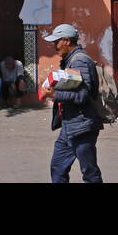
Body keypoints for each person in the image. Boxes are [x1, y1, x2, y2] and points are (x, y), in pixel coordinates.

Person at [39, 23, 103, 183]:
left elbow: (82, 95)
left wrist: (55, 94)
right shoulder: (71, 60)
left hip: (82, 126)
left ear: (67, 41)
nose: (54, 45)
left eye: (57, 41)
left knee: (89, 173)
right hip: (70, 125)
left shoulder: (79, 61)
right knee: (58, 167)